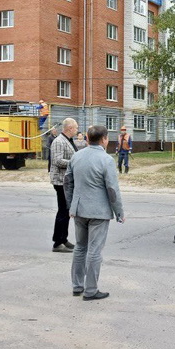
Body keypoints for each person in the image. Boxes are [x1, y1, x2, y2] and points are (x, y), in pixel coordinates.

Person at [64, 125, 125, 301]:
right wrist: (119, 212)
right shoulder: (106, 160)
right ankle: (91, 290)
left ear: (88, 139)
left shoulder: (76, 156)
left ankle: (77, 286)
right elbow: (112, 189)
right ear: (104, 139)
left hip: (79, 210)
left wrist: (71, 206)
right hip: (98, 212)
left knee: (80, 247)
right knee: (94, 251)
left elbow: (68, 183)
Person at [49, 118, 79, 253]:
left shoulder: (68, 140)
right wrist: (75, 162)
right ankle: (57, 242)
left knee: (66, 211)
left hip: (66, 181)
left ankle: (63, 239)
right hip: (60, 181)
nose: (77, 130)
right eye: (76, 128)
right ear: (69, 128)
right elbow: (57, 161)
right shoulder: (58, 141)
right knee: (63, 211)